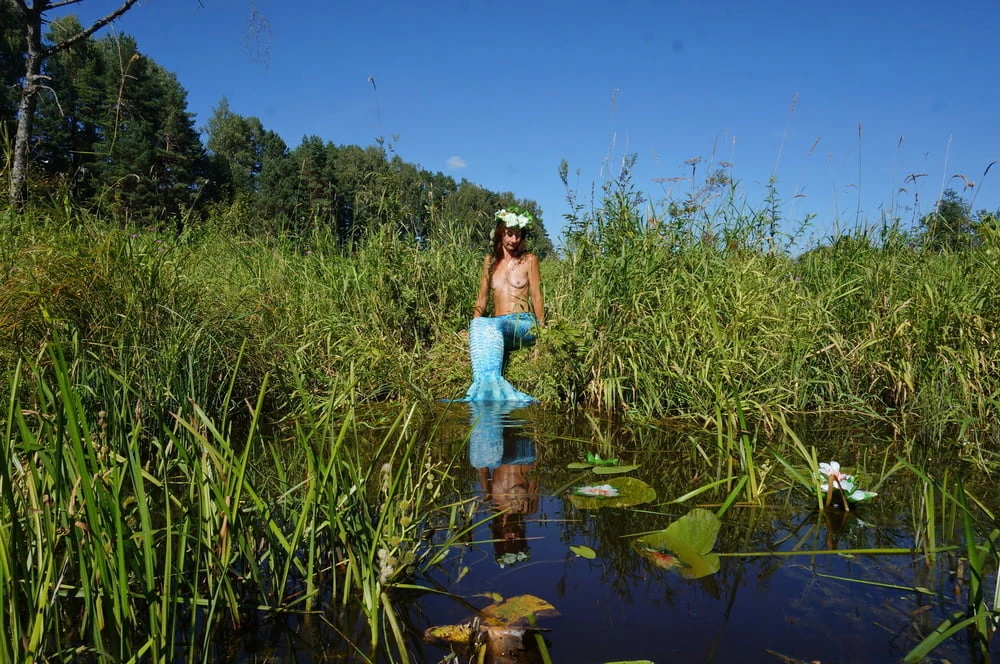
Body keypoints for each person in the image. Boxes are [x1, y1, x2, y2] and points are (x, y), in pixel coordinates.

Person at [460, 206, 545, 402]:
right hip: (498, 325)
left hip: (523, 323)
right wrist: (475, 327)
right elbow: (482, 299)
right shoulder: (489, 262)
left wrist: (543, 330)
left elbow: (537, 296)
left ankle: (491, 386)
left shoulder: (529, 260)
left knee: (492, 324)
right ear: (500, 233)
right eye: (509, 234)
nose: (513, 240)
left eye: (518, 235)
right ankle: (487, 385)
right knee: (483, 323)